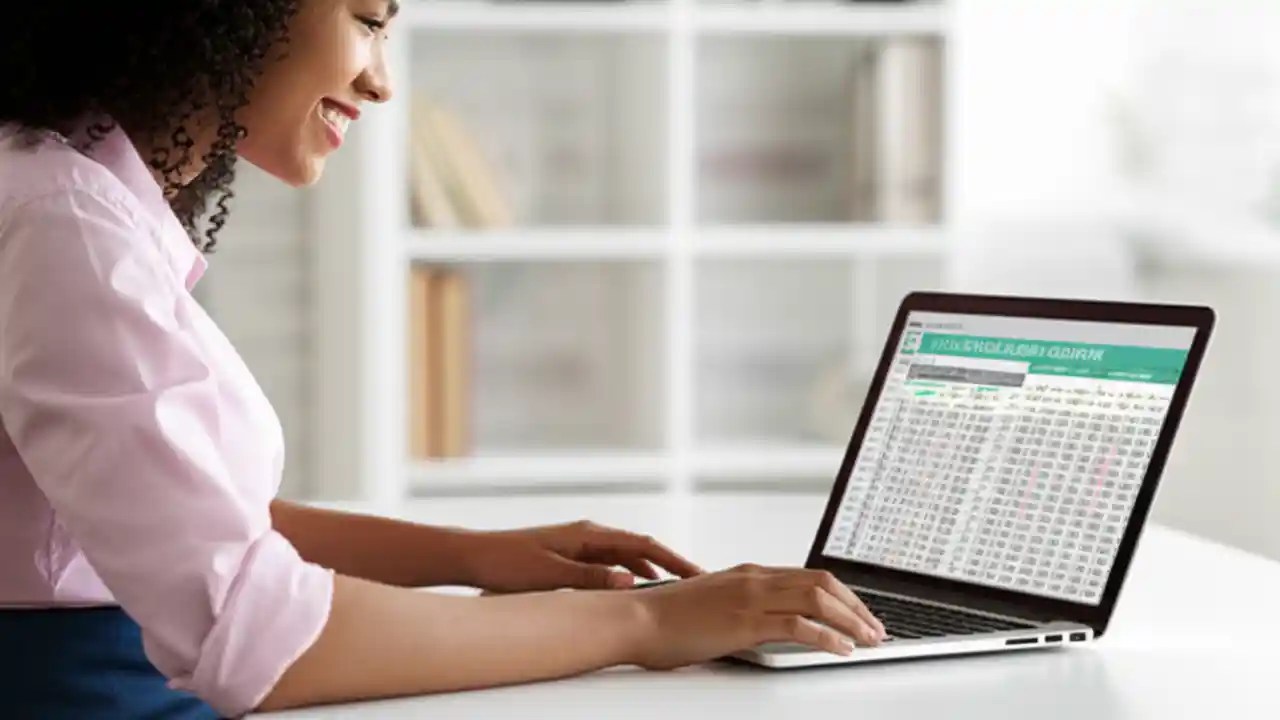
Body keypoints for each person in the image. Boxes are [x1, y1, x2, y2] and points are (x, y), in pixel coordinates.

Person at [0, 2, 886, 717]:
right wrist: (644, 620)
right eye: (368, 19)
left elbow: (167, 521)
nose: (381, 81)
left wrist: (473, 556)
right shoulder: (64, 224)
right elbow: (253, 636)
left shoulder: (66, 192)